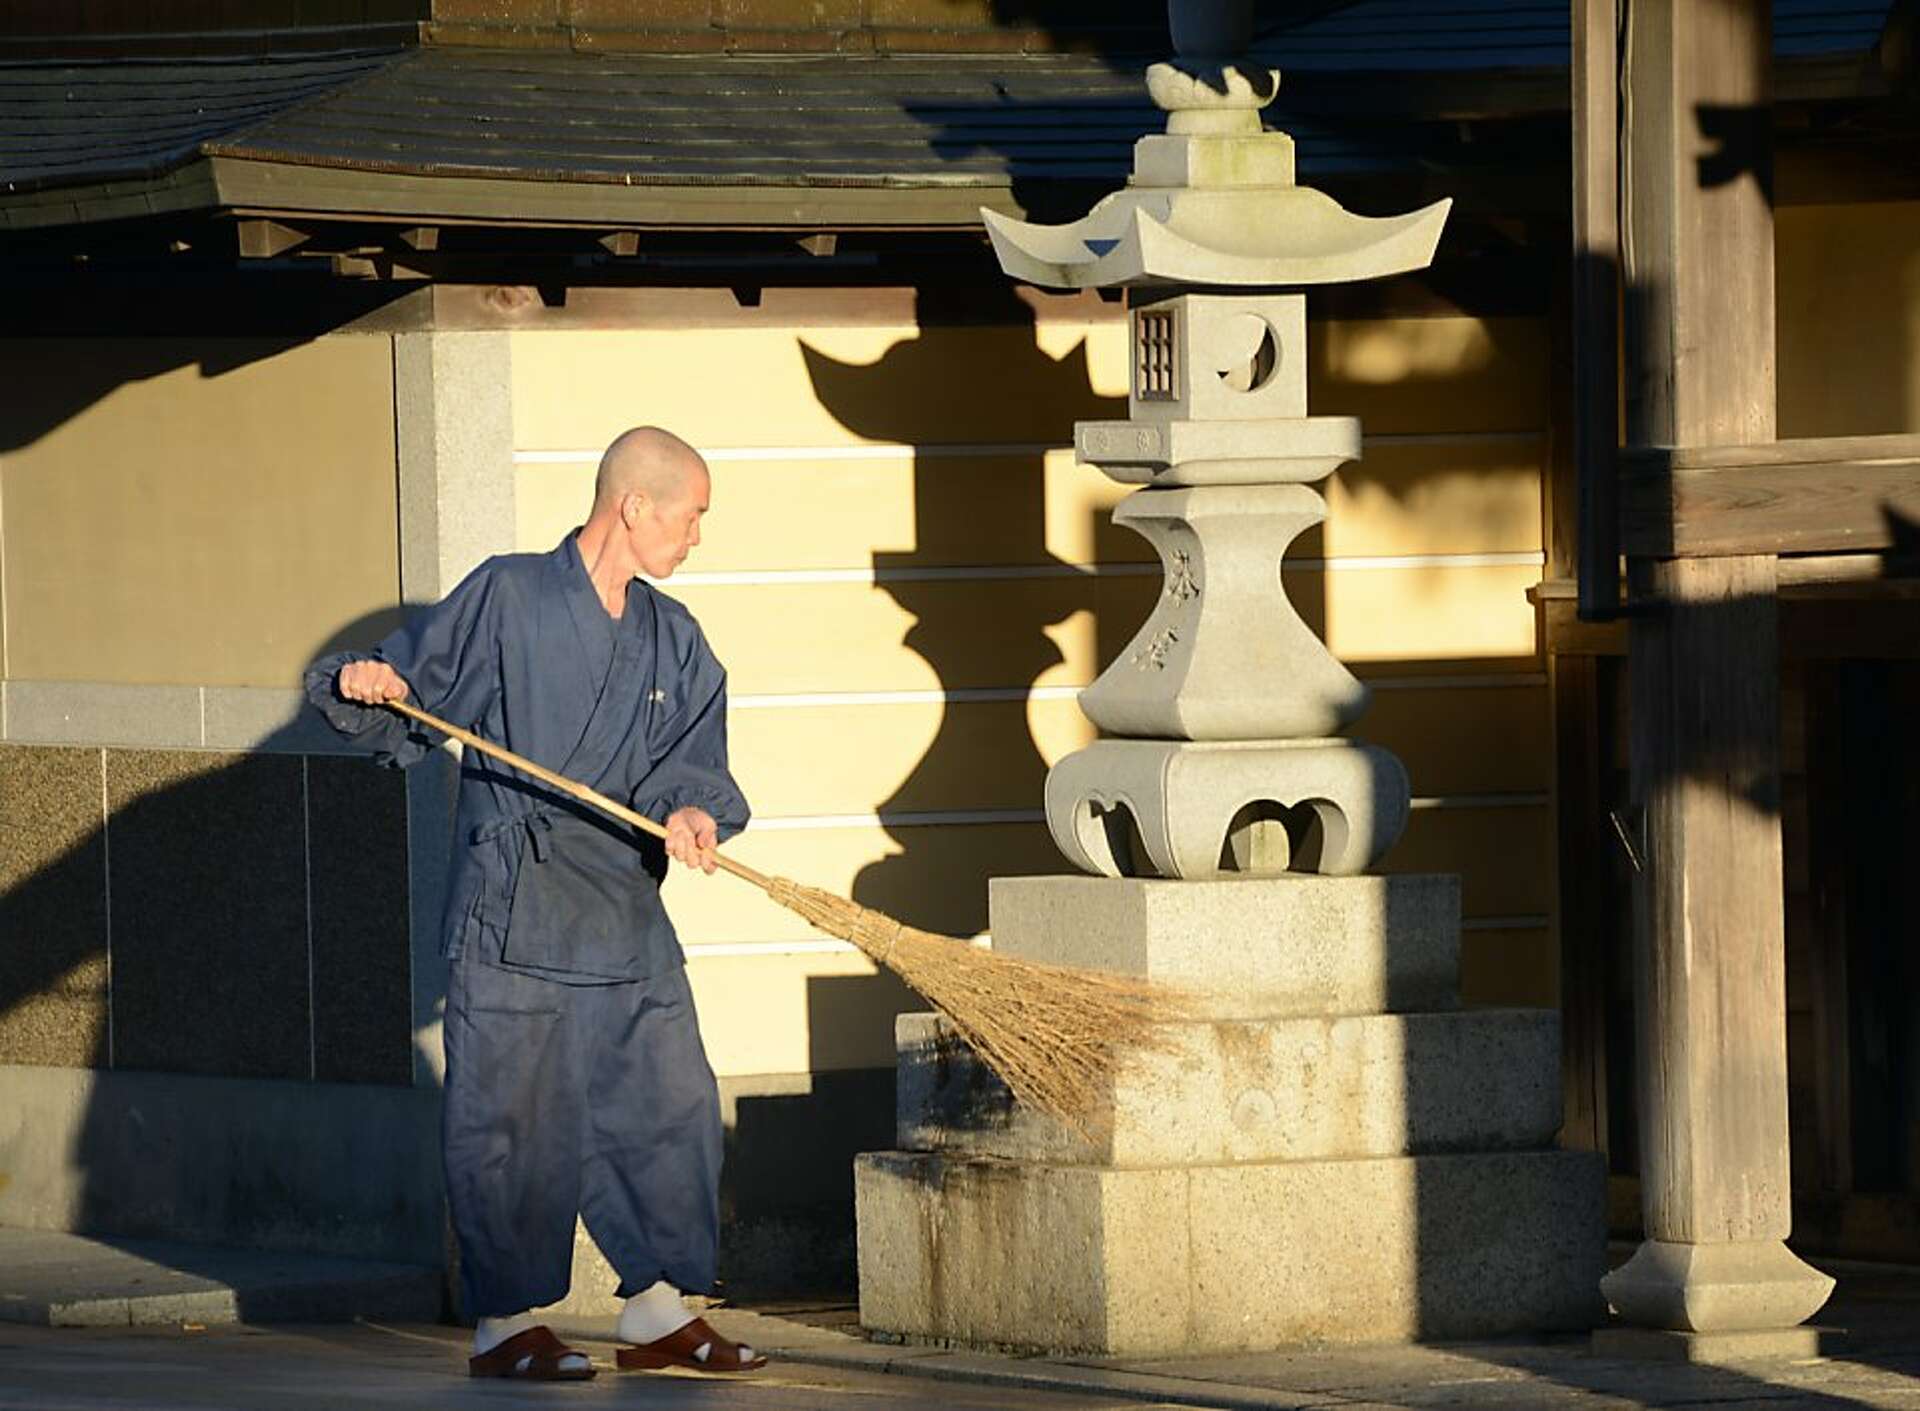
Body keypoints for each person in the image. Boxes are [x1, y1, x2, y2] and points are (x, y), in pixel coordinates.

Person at [305, 426, 764, 1381]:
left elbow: (694, 759)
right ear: (636, 506)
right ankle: (504, 1321)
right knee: (512, 1117)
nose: (694, 538)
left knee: (668, 1102)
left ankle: (655, 1309)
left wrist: (688, 808)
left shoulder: (673, 637)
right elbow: (413, 687)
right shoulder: (510, 595)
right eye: (692, 517)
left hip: (625, 914)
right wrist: (371, 682)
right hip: (516, 911)